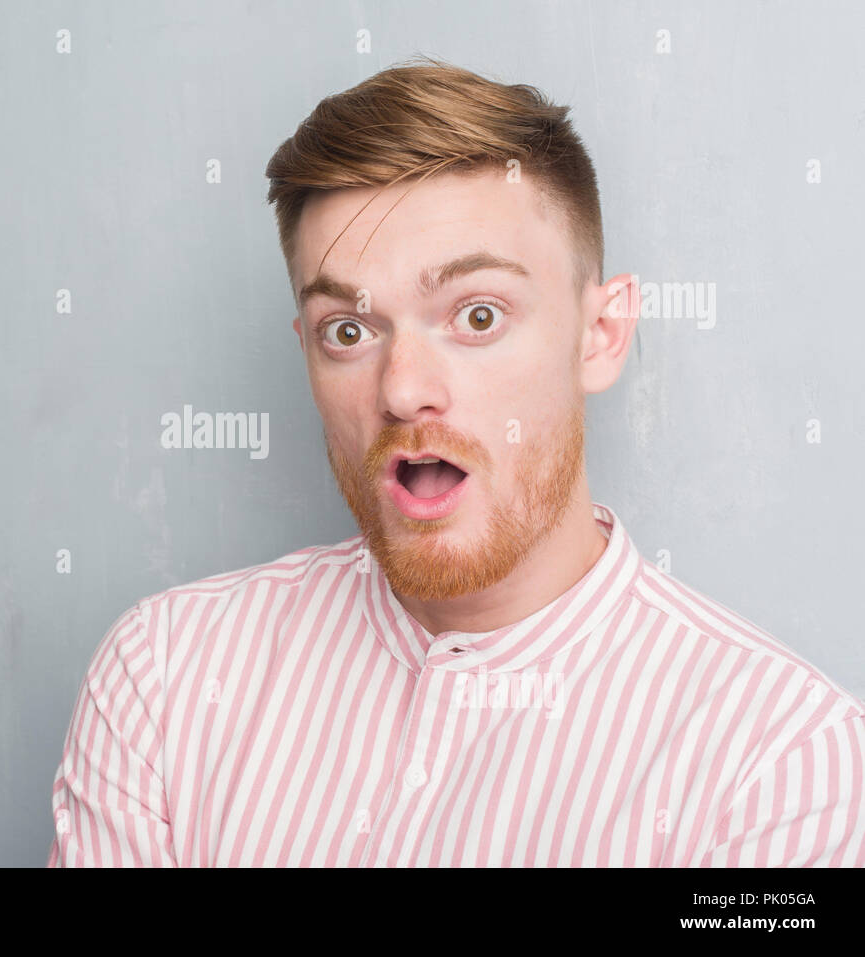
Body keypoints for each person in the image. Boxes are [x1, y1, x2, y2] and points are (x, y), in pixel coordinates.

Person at [45, 56, 865, 866]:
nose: (403, 390)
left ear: (601, 335)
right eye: (349, 331)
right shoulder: (166, 680)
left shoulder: (783, 765)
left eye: (477, 314)